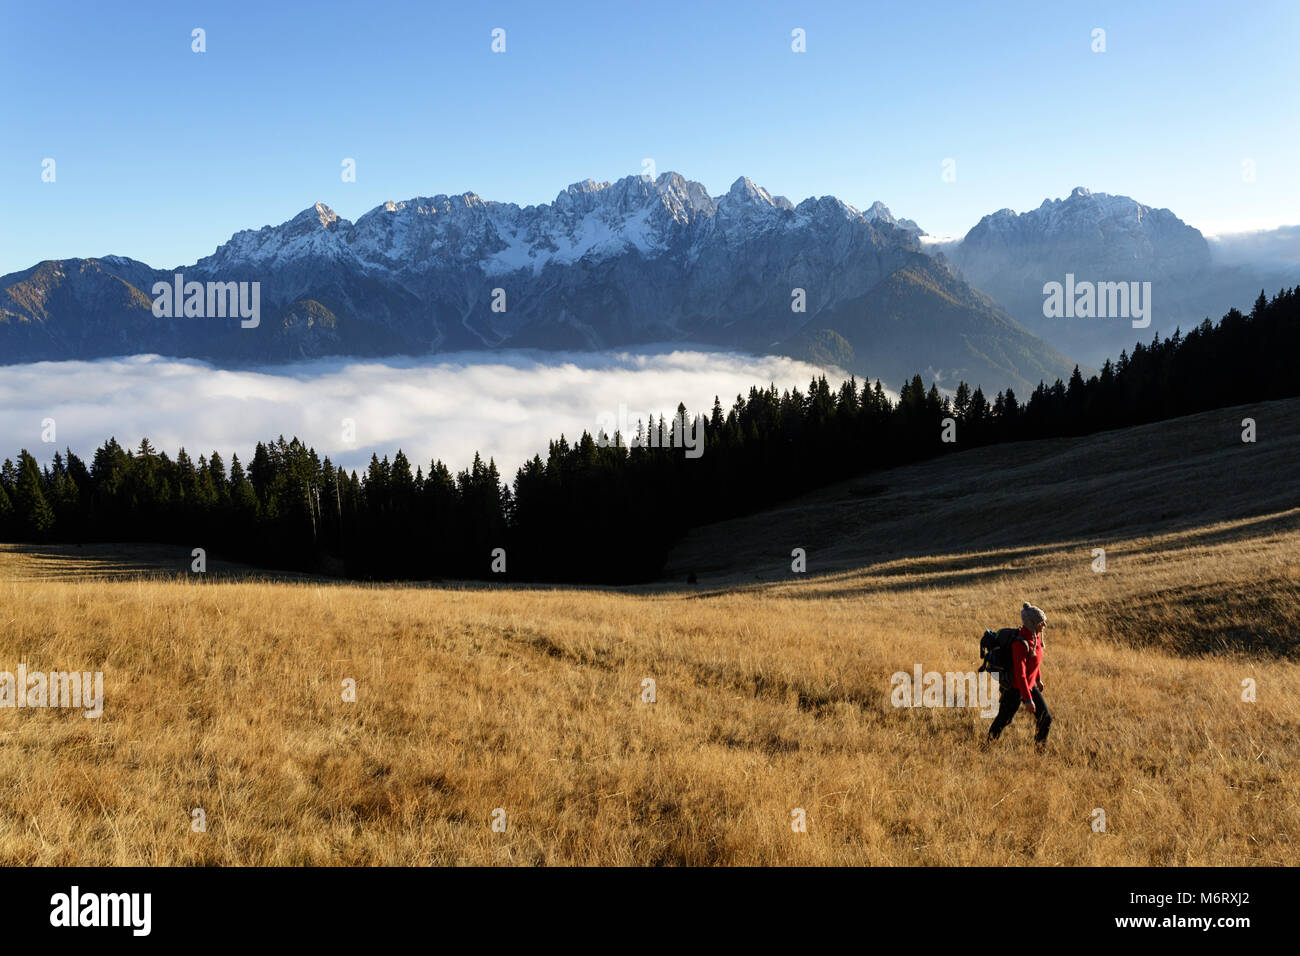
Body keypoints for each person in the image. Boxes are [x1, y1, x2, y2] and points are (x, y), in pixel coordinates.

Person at [987, 602, 1051, 744]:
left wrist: (1038, 679)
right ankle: (987, 745)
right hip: (1015, 688)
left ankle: (1040, 749)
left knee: (1045, 718)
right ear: (1032, 624)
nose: (1044, 625)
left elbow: (1033, 662)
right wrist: (1027, 699)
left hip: (1029, 685)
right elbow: (1020, 674)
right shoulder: (1020, 644)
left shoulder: (1035, 638)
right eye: (1041, 622)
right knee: (1004, 719)